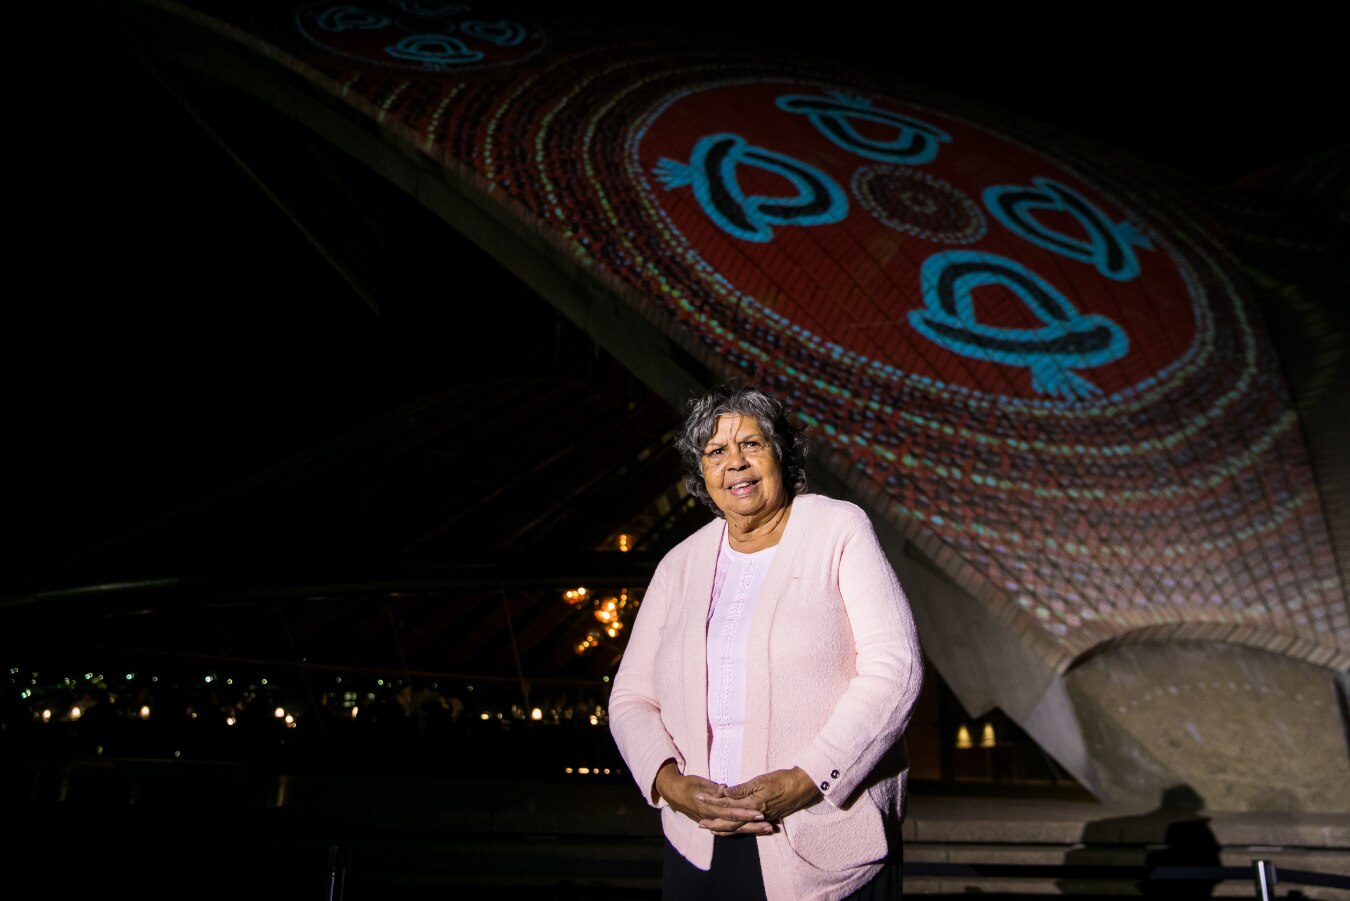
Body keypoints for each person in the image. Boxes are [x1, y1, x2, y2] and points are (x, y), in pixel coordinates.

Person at [610, 385, 924, 900]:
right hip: (700, 841)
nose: (735, 463)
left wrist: (808, 779)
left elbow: (897, 668)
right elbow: (630, 698)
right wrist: (668, 783)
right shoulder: (679, 565)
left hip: (821, 835)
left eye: (752, 445)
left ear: (781, 454)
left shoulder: (838, 529)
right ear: (701, 473)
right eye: (716, 452)